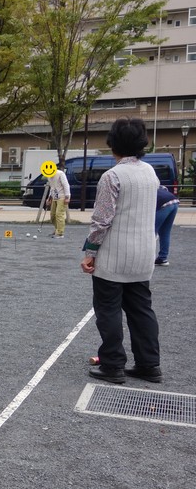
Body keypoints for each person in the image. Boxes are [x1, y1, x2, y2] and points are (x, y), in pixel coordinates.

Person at [81, 117, 162, 384]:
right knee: (142, 310)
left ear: (112, 144)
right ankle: (149, 364)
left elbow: (102, 220)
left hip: (115, 255)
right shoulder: (150, 172)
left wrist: (90, 251)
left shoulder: (112, 176)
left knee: (108, 309)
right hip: (143, 253)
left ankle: (113, 364)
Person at [154, 185, 178, 266]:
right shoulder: (156, 184)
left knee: (151, 232)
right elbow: (164, 188)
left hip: (163, 204)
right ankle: (163, 258)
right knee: (165, 232)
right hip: (174, 201)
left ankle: (147, 258)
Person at [46, 164, 70, 238]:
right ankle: (57, 229)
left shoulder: (60, 174)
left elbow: (66, 185)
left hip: (62, 197)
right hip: (54, 197)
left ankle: (60, 233)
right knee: (52, 215)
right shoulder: (48, 176)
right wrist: (49, 197)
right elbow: (52, 187)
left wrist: (67, 197)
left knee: (59, 214)